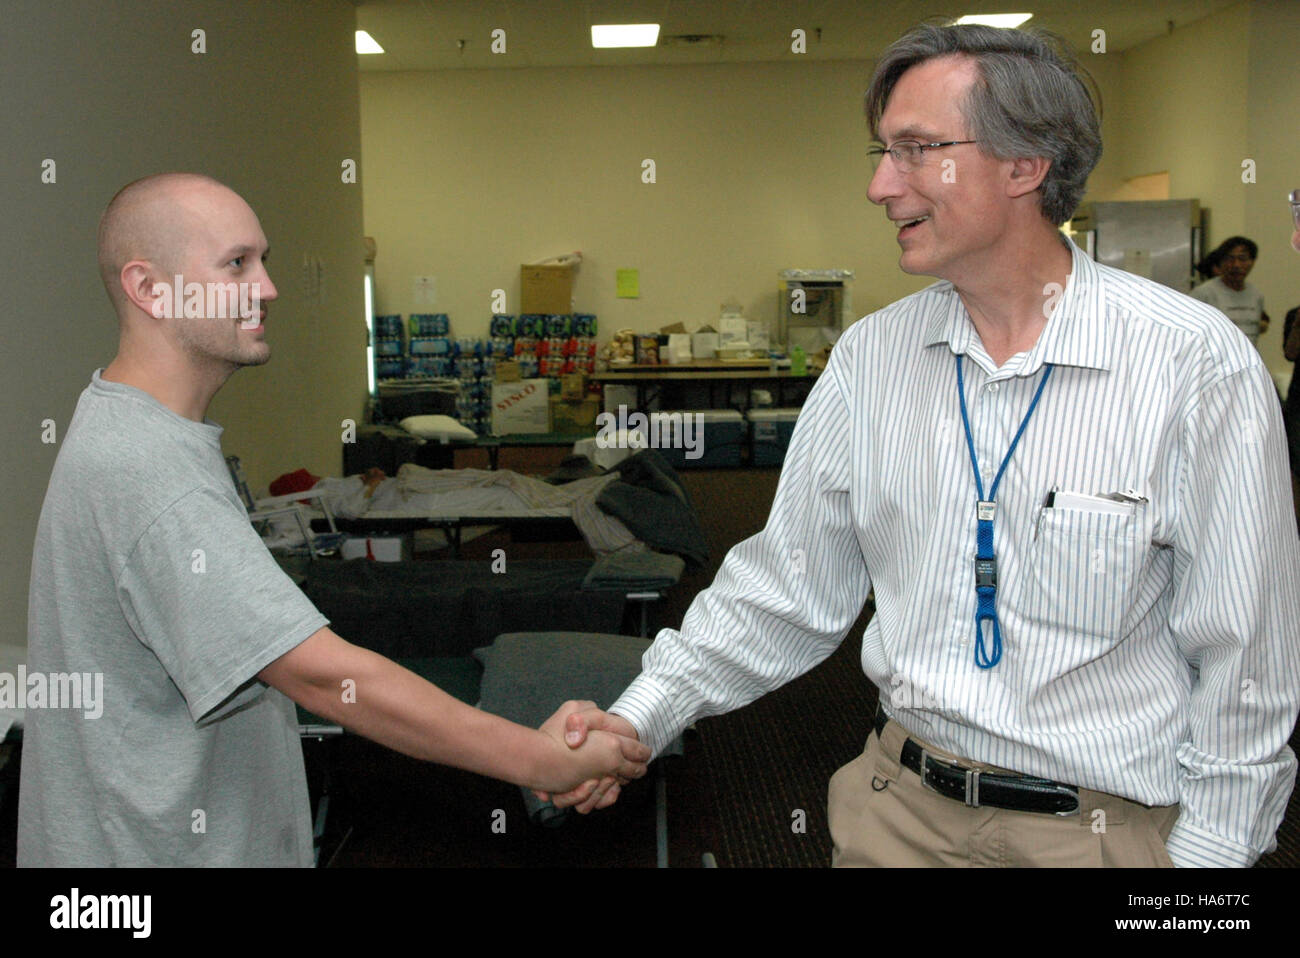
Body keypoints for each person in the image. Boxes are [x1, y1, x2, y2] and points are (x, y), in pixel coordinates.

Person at [546, 23, 1300, 867]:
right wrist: (641, 711)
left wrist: (1207, 866)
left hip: (1103, 835)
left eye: (914, 150)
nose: (878, 186)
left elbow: (1248, 655)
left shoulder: (1193, 364)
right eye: (881, 151)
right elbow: (786, 586)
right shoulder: (870, 362)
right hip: (893, 817)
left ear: (1026, 163)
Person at [17, 173, 648, 867]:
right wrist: (538, 759)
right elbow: (322, 676)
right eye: (236, 263)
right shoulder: (146, 470)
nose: (268, 287)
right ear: (149, 288)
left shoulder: (137, 428)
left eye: (263, 259)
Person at [1190, 236, 1270, 346]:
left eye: (1242, 259)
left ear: (1252, 262)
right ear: (1220, 262)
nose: (1236, 265)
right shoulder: (1203, 294)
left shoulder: (1256, 295)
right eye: (1229, 259)